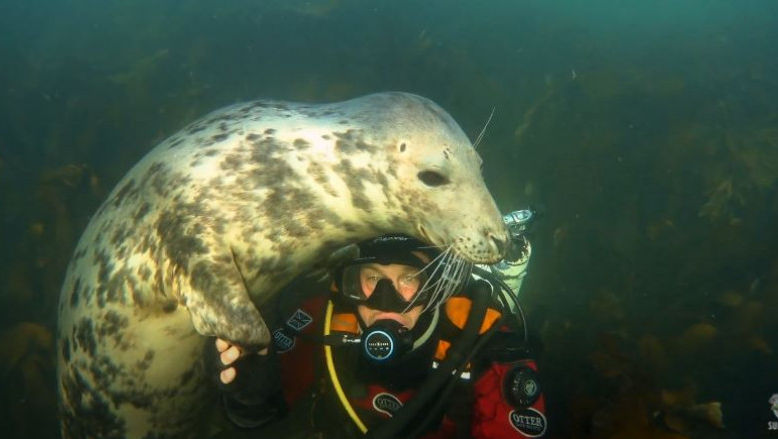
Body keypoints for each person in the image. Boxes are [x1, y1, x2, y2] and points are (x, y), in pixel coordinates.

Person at [211, 210, 546, 438]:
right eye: (371, 278)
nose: (386, 301)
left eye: (409, 279)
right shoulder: (322, 321)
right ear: (348, 284)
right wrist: (250, 389)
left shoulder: (481, 335)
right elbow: (260, 416)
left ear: (436, 287)